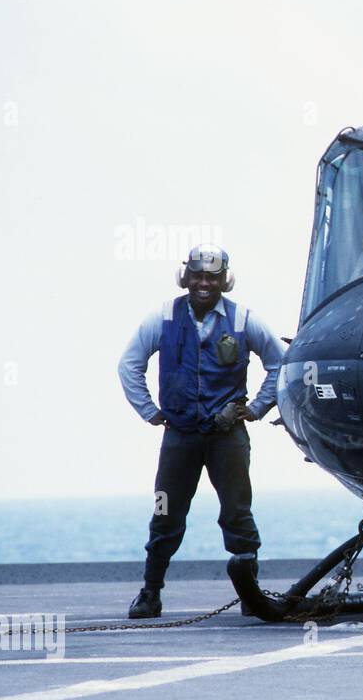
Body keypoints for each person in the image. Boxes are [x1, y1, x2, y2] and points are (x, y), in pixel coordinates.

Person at [117, 244, 286, 618]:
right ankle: (150, 592)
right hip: (179, 436)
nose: (204, 283)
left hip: (227, 437)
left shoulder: (244, 319)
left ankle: (249, 594)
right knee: (165, 511)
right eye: (198, 276)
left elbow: (280, 363)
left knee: (238, 512)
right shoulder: (162, 318)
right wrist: (149, 411)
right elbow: (129, 365)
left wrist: (256, 408)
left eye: (212, 276)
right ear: (186, 278)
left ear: (224, 279)